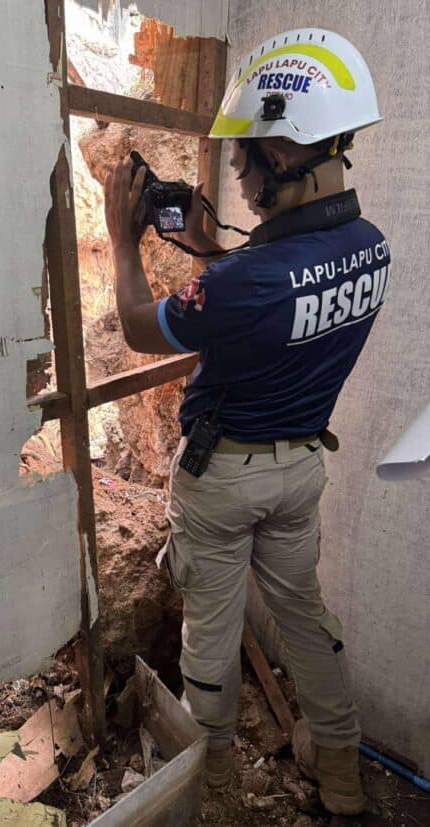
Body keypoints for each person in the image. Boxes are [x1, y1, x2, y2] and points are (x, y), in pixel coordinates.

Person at [104, 28, 388, 816]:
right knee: (305, 617)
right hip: (299, 471)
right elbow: (273, 309)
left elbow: (139, 327)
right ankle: (340, 767)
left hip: (223, 479)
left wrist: (123, 242)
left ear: (286, 149)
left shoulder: (249, 278)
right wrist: (210, 252)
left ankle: (218, 781)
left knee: (210, 633)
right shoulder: (372, 250)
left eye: (246, 155)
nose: (237, 173)